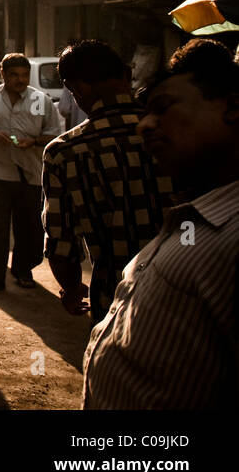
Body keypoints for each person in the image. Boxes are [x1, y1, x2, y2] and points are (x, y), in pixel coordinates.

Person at [84, 38, 239, 409]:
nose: (144, 126)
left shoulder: (231, 237)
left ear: (233, 107)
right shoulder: (196, 217)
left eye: (162, 109)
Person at [43, 40, 172, 327]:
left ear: (75, 89)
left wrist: (72, 287)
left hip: (115, 301)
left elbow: (62, 242)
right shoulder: (175, 129)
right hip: (189, 294)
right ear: (126, 75)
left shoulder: (64, 151)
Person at [0, 53, 63, 293]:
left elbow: (54, 133)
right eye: (14, 75)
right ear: (3, 75)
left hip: (31, 173)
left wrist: (34, 141)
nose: (20, 80)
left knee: (30, 228)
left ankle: (23, 270)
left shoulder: (40, 100)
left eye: (23, 75)